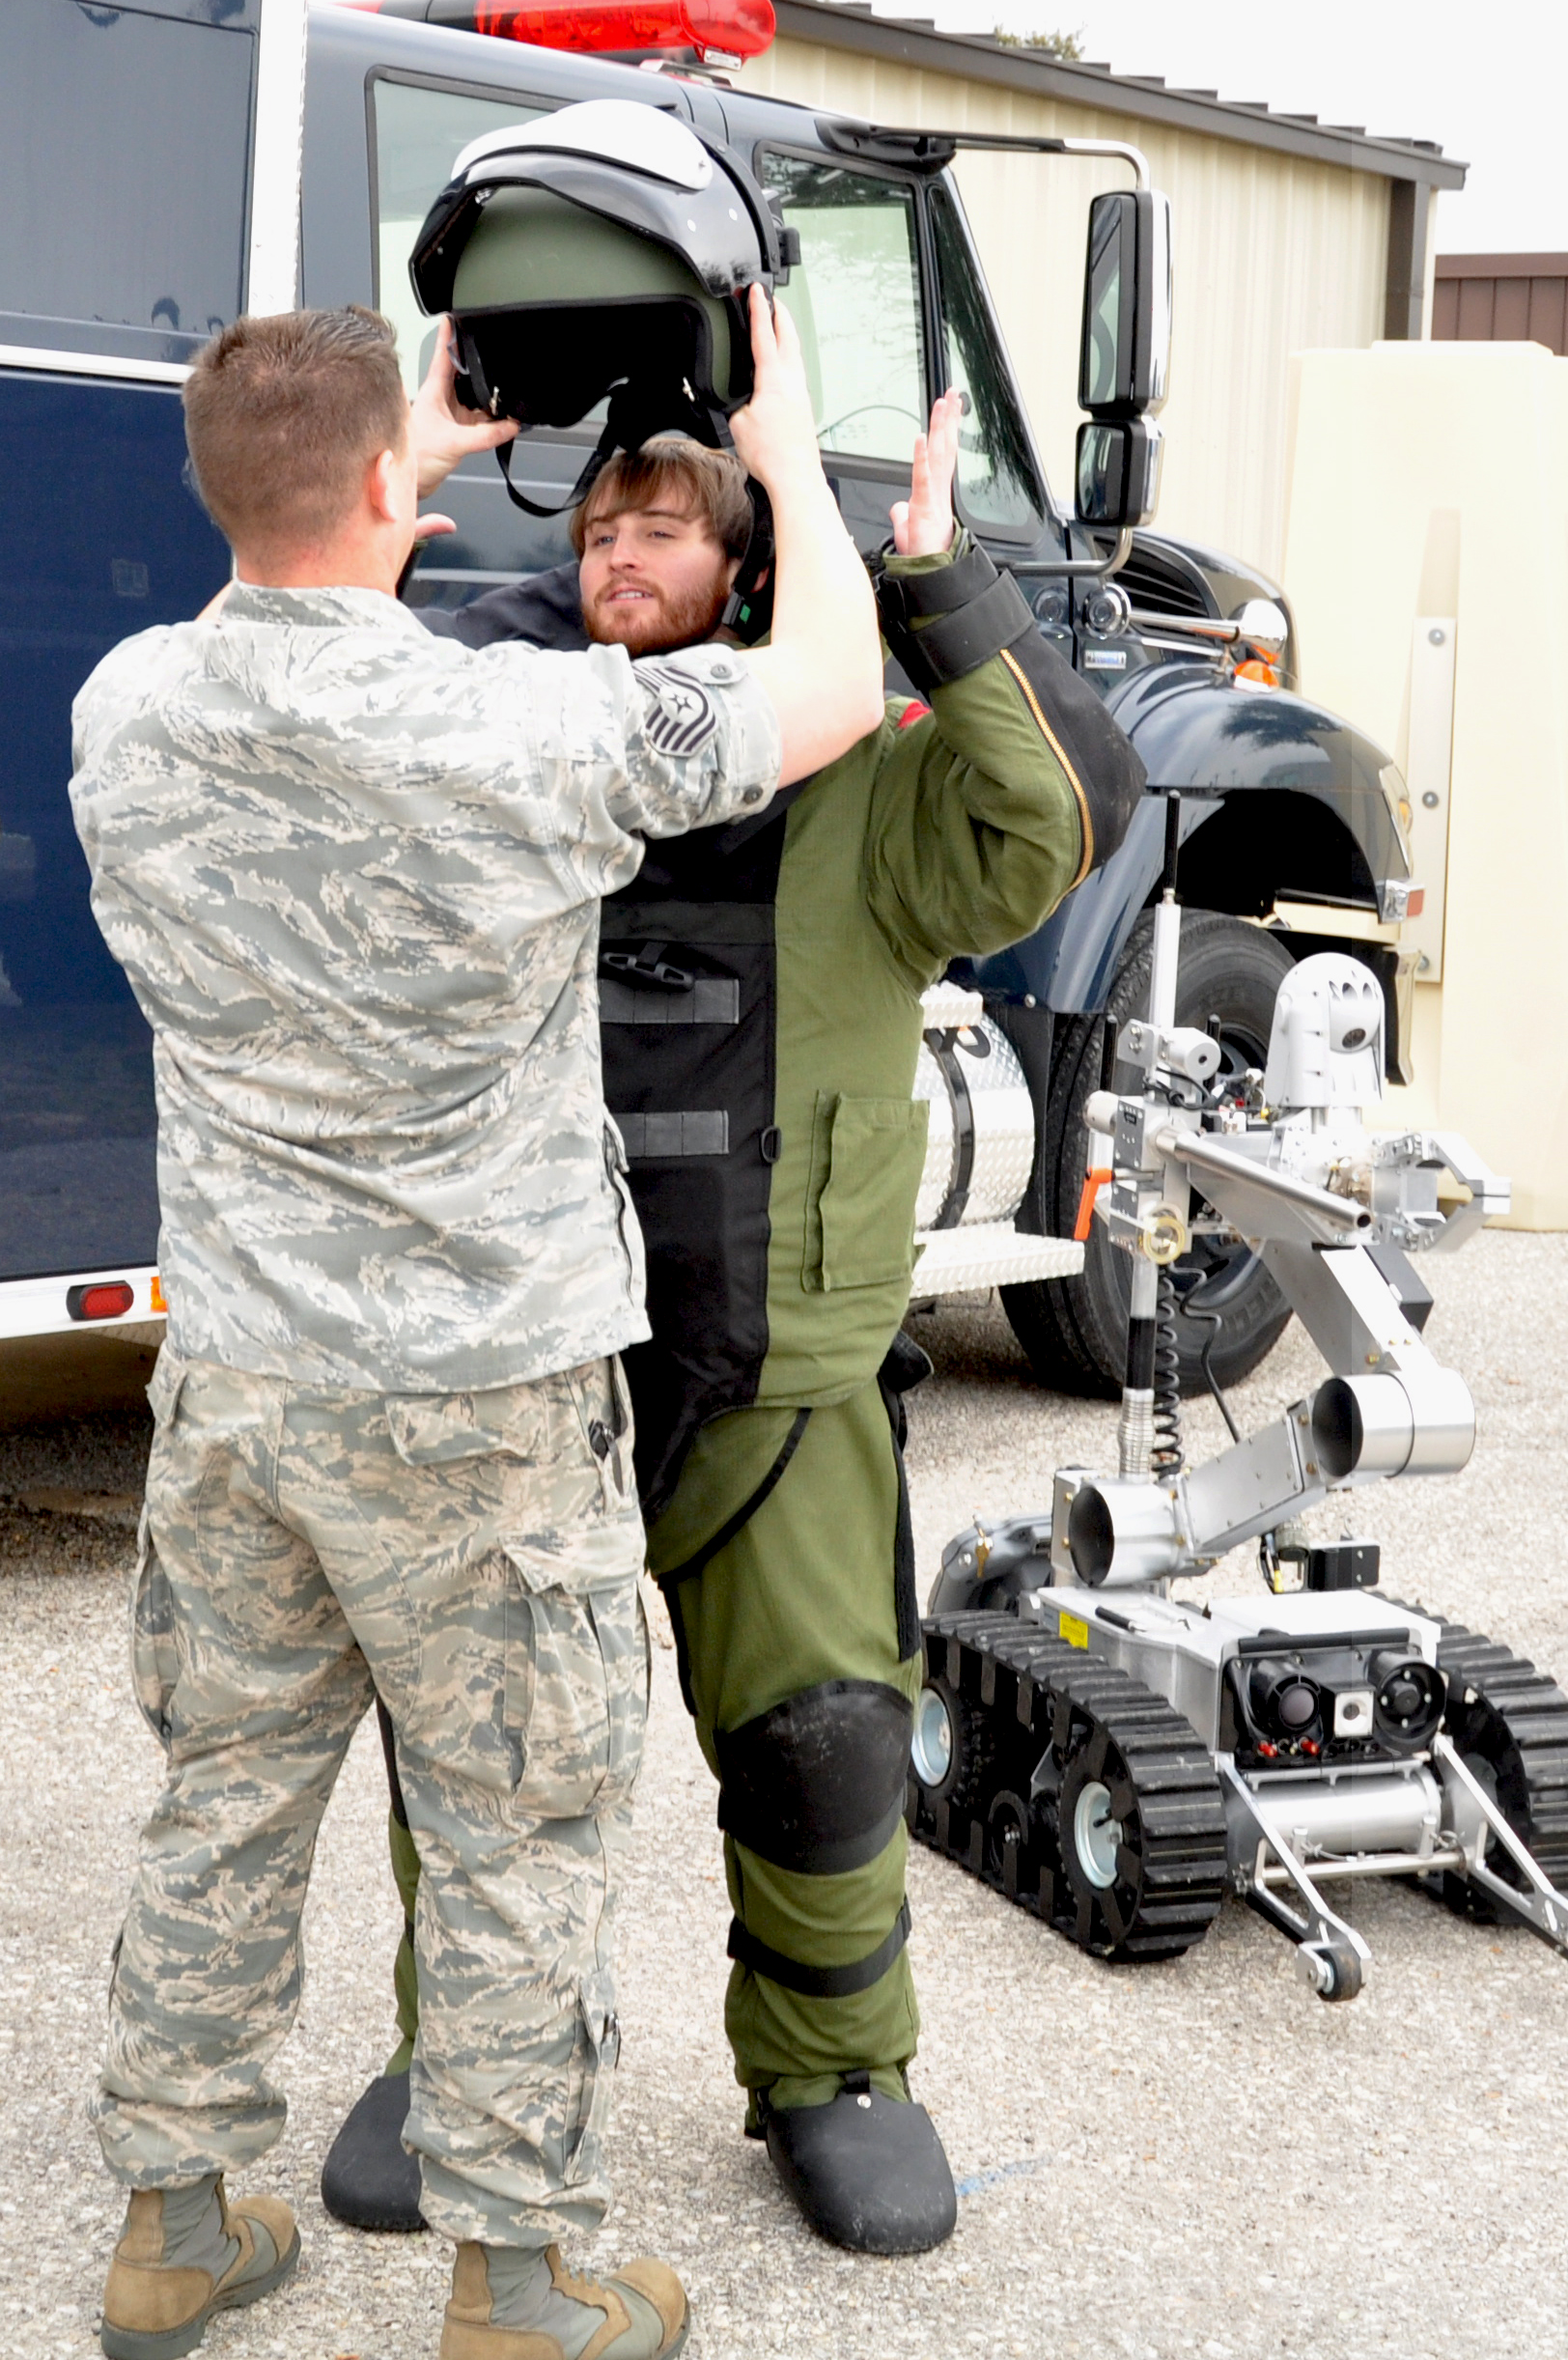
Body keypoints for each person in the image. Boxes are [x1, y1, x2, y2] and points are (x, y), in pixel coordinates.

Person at [71, 291, 883, 2360]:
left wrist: (372, 466)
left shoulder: (121, 710)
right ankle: (518, 2286)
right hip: (482, 1398)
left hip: (243, 1384)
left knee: (222, 1798)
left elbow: (266, 585)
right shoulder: (513, 727)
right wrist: (783, 445)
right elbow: (831, 687)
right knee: (518, 1830)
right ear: (381, 478)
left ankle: (171, 2226)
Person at [324, 353, 1144, 2258]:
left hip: (774, 1369)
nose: (620, 551)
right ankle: (467, 2053)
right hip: (518, 1360)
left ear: (750, 555)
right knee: (482, 1744)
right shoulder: (494, 737)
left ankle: (836, 2069)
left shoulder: (859, 767)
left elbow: (1065, 814)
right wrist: (381, 499)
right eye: (596, 523)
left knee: (820, 1740)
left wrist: (934, 581)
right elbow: (288, 722)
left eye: (667, 522)